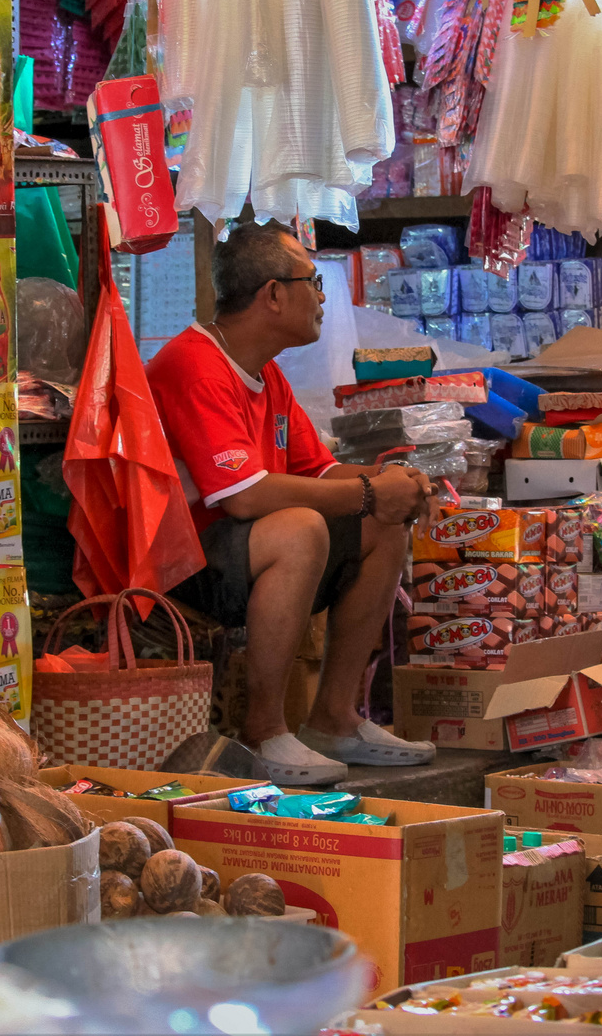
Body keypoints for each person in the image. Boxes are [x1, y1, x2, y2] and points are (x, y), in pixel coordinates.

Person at [146, 221, 440, 785]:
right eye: (313, 281)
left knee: (382, 522)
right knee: (302, 526)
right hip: (181, 560)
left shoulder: (266, 373)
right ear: (273, 294)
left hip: (237, 550)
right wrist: (367, 490)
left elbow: (321, 470)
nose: (323, 297)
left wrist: (392, 482)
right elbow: (245, 495)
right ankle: (265, 731)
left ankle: (333, 719)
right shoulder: (194, 364)